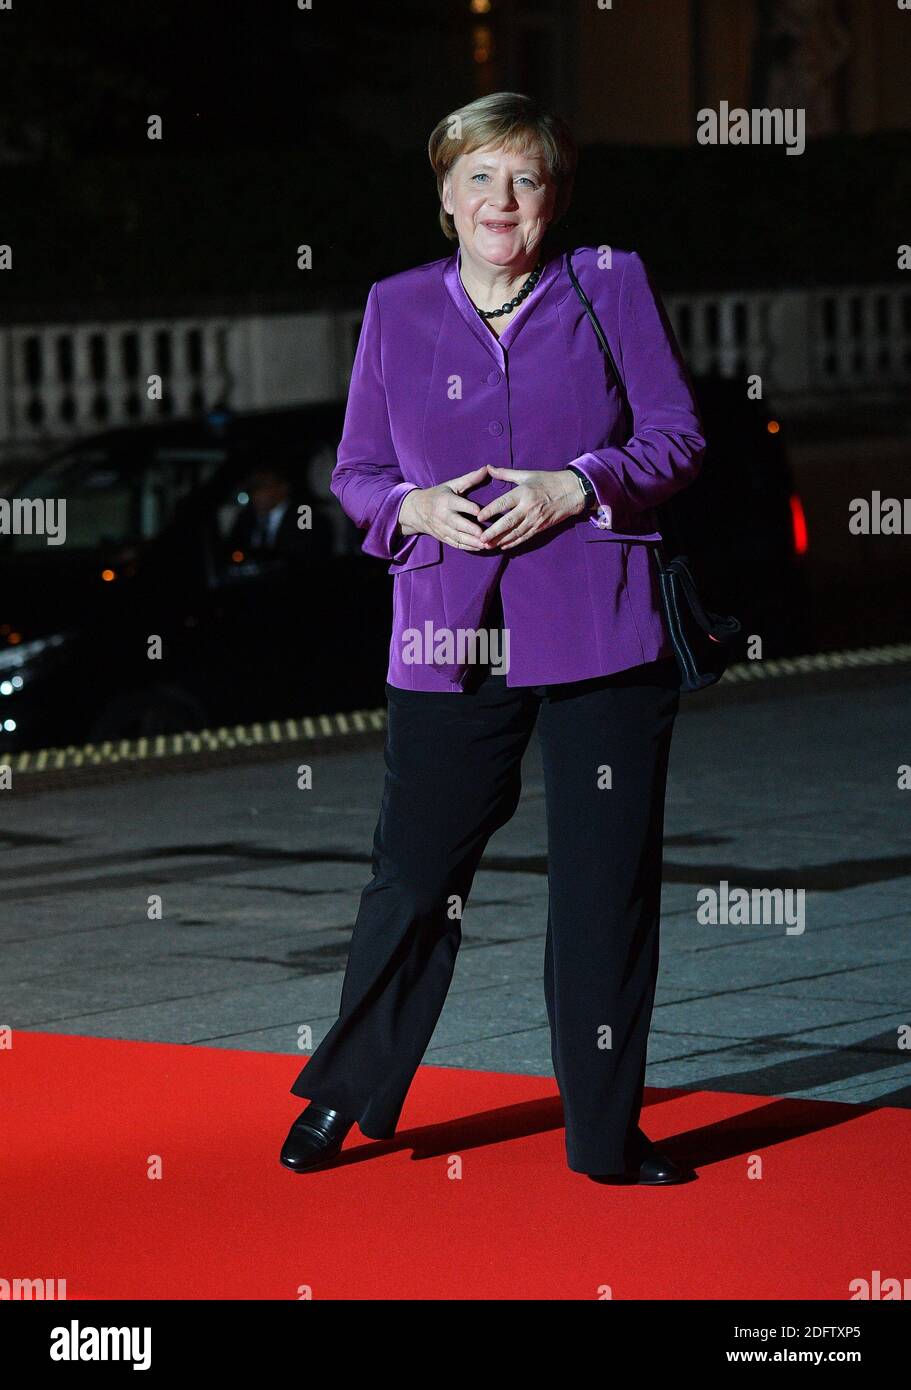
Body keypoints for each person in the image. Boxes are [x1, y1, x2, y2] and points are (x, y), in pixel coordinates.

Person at [281, 91, 706, 1184]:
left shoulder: (606, 284)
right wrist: (412, 509)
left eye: (522, 177)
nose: (500, 199)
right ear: (444, 196)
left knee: (602, 887)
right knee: (414, 873)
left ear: (551, 195)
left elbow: (673, 435)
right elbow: (357, 472)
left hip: (602, 629)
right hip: (445, 632)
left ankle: (606, 1136)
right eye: (478, 177)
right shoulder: (394, 305)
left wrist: (575, 484)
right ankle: (346, 1091)